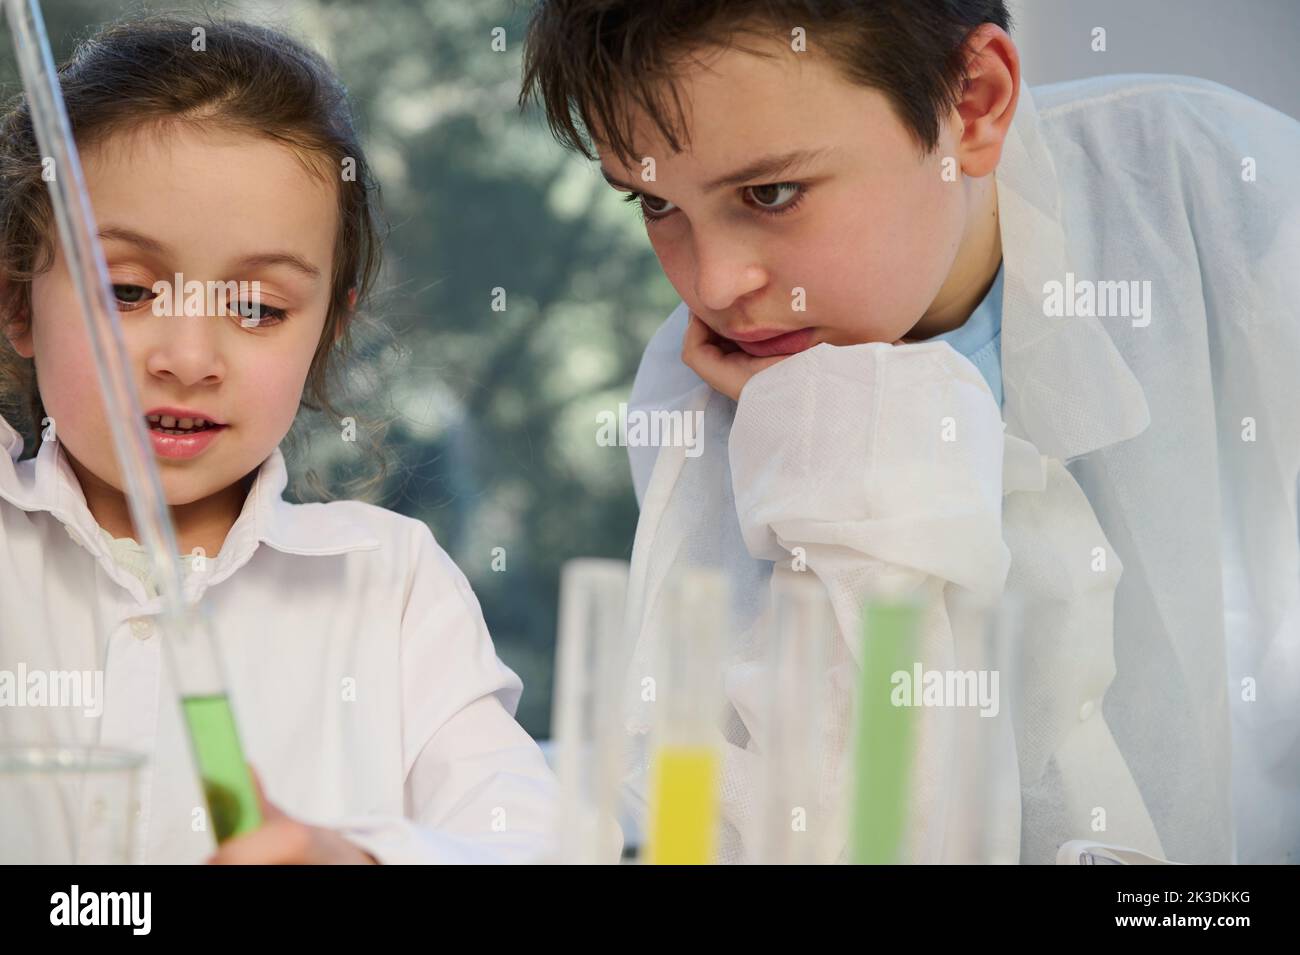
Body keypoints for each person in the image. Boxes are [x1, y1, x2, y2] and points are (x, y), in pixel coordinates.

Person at [520, 0, 1300, 863]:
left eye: (770, 192)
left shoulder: (1235, 197)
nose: (714, 283)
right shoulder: (693, 391)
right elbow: (830, 830)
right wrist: (827, 450)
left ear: (974, 103)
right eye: (655, 205)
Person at [0, 16, 560, 864]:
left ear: (328, 331)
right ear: (17, 304)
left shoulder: (391, 586)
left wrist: (351, 857)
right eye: (127, 288)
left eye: (256, 307)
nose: (190, 358)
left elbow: (529, 841)